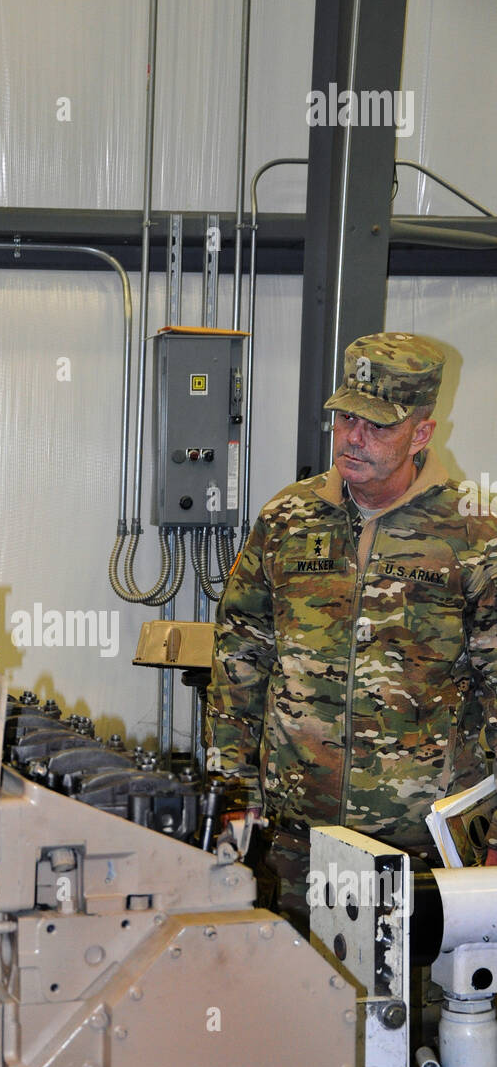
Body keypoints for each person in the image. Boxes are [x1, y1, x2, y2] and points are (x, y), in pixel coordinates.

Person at [206, 331, 497, 927]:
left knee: (418, 1012)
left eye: (377, 426)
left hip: (420, 848)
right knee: (294, 1003)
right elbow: (240, 655)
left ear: (422, 433)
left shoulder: (475, 533)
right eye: (344, 420)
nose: (352, 439)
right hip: (292, 840)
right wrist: (230, 793)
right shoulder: (288, 518)